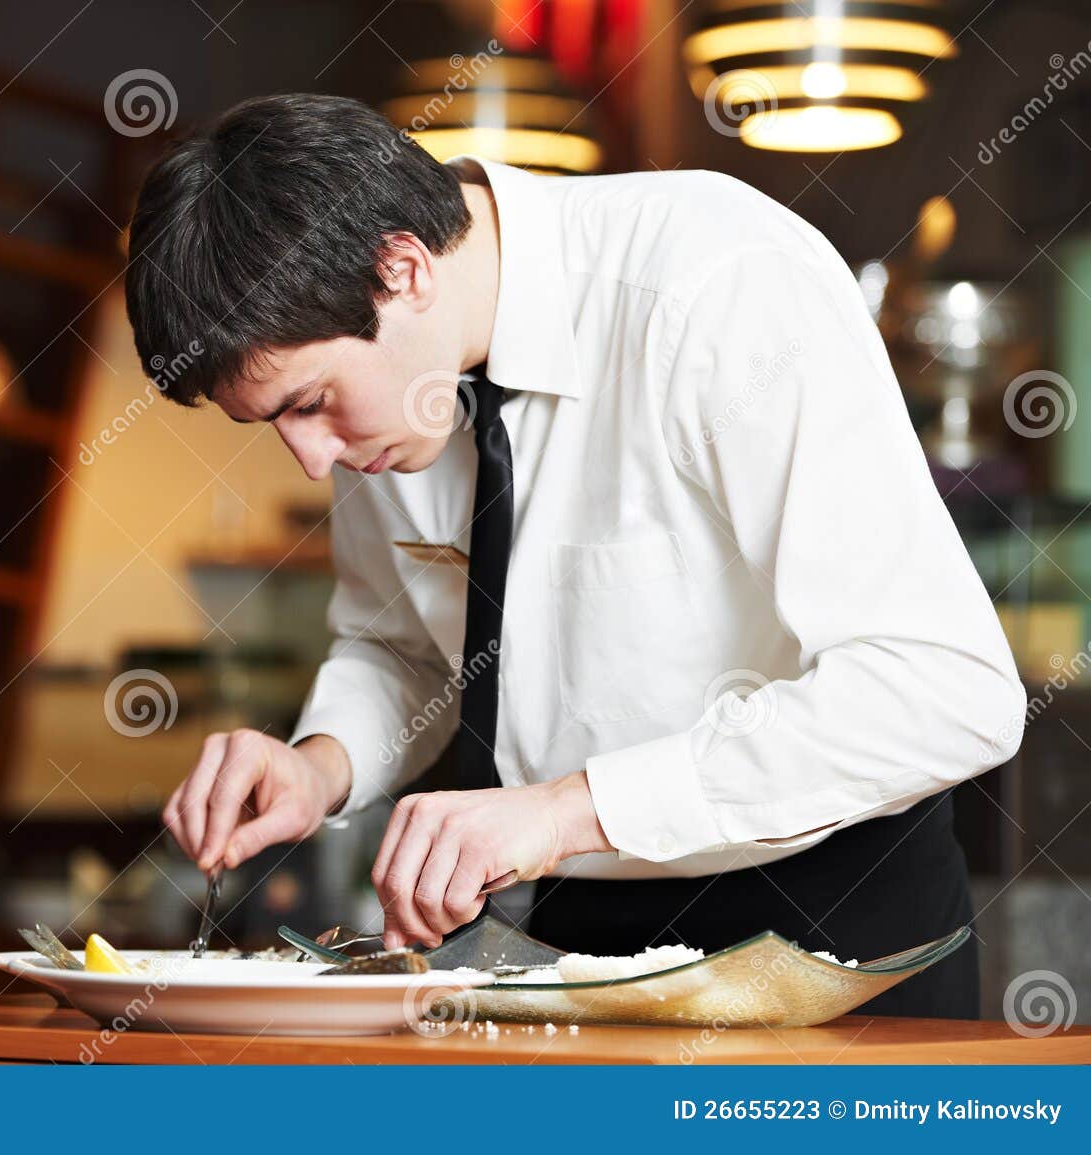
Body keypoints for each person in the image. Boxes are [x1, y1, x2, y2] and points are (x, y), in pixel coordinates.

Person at [122, 93, 1025, 1017]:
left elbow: (946, 689)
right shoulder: (387, 385)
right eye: (273, 422)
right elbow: (404, 646)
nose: (311, 458)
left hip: (826, 949)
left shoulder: (721, 281)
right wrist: (319, 764)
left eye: (308, 403)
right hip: (568, 952)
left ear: (401, 268)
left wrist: (560, 811)